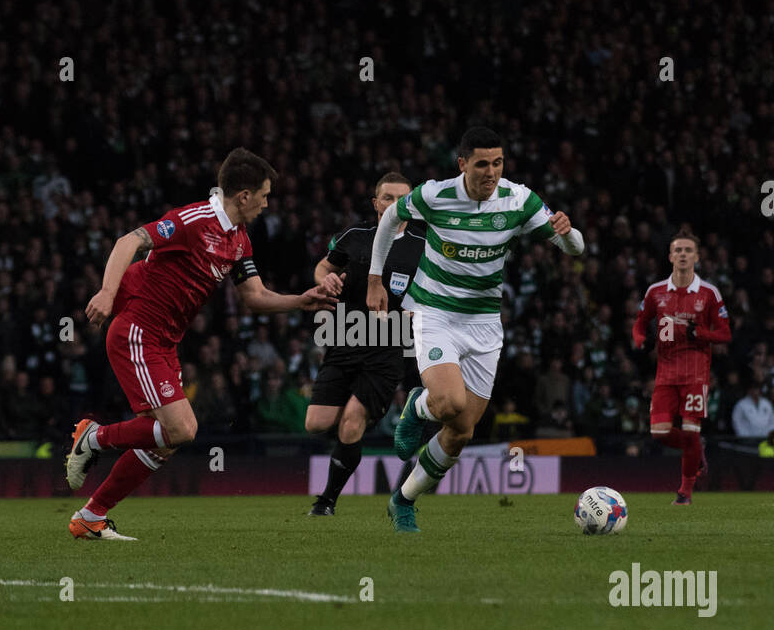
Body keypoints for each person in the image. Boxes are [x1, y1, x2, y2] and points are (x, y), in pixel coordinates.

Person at [64, 148, 339, 539]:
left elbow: (254, 296)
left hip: (165, 343)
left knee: (163, 441)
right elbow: (129, 241)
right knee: (183, 430)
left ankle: (91, 516)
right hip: (138, 332)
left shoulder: (240, 240)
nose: (266, 202)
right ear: (243, 196)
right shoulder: (194, 219)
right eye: (264, 194)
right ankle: (93, 437)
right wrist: (107, 292)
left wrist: (301, 300)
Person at [365, 127, 584, 533]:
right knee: (447, 402)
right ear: (463, 164)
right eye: (482, 163)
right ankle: (419, 406)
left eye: (498, 163)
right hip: (435, 313)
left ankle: (403, 500)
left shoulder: (518, 200)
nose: (491, 172)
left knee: (461, 431)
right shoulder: (435, 195)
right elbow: (391, 217)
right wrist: (375, 279)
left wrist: (568, 233)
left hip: (484, 323)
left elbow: (576, 249)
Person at [304, 172, 425, 515]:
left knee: (352, 419)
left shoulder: (423, 244)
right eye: (387, 198)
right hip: (344, 340)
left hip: (387, 348)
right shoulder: (355, 236)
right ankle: (356, 430)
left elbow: (434, 292)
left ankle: (325, 502)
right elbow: (322, 268)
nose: (394, 205)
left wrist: (419, 314)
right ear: (376, 203)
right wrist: (324, 277)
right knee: (316, 423)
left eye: (402, 199)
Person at [632, 233, 731, 504]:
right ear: (670, 256)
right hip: (665, 373)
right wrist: (641, 341)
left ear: (697, 257)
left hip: (696, 373)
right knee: (659, 433)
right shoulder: (656, 292)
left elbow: (724, 334)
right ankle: (696, 451)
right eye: (679, 250)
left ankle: (685, 492)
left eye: (689, 250)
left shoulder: (709, 293)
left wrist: (698, 332)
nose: (684, 254)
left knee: (690, 430)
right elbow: (640, 323)